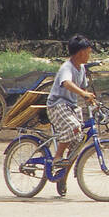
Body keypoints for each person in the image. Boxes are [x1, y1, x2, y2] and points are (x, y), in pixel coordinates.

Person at [46, 35, 97, 194]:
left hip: (71, 107)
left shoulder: (81, 68)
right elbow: (67, 83)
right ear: (79, 53)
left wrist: (90, 99)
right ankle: (58, 157)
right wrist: (83, 93)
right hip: (57, 105)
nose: (89, 55)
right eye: (87, 52)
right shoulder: (66, 67)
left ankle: (62, 177)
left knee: (78, 143)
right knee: (73, 127)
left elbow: (83, 89)